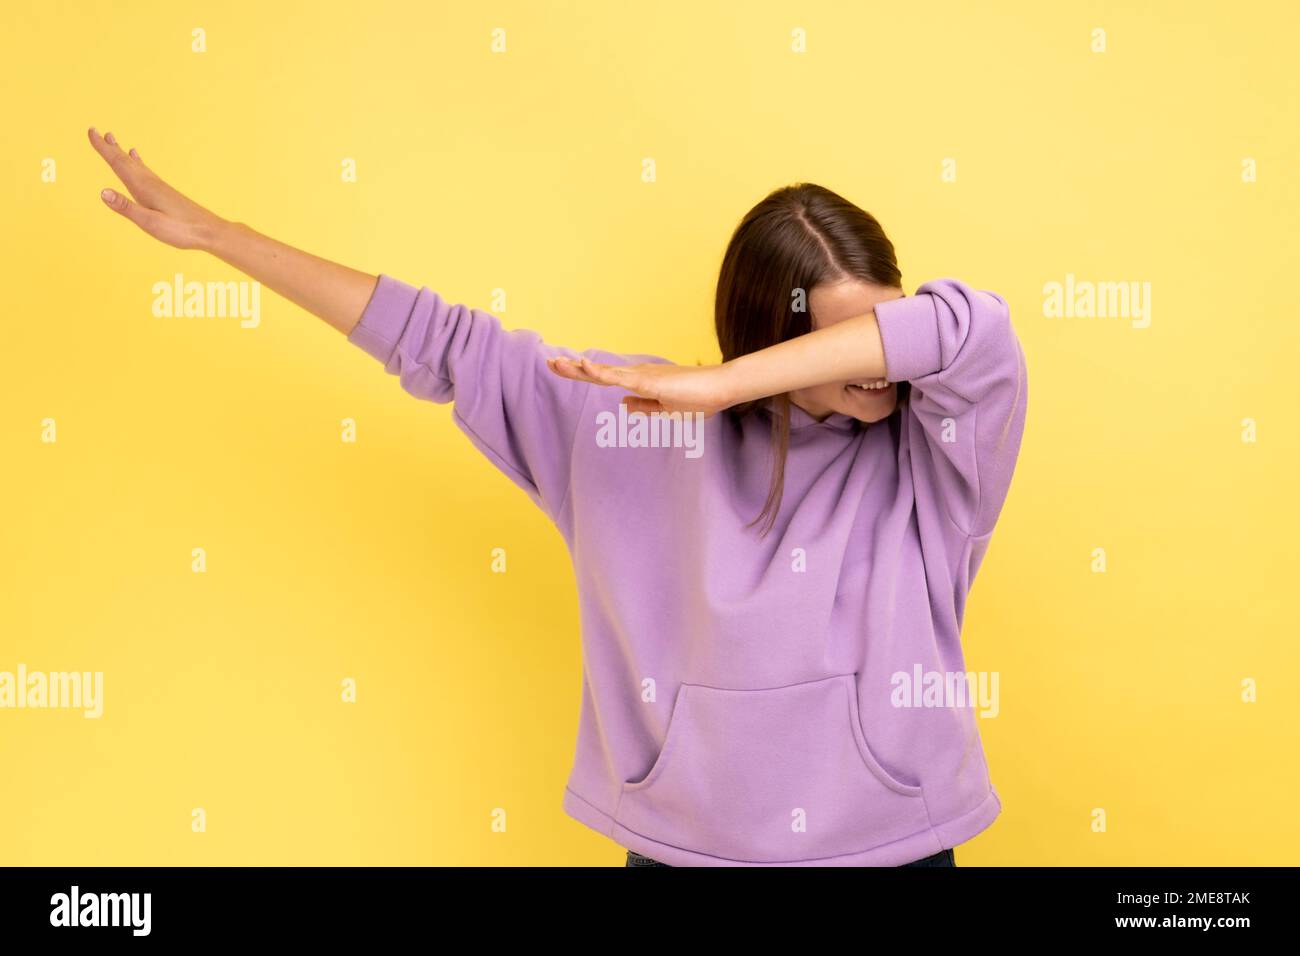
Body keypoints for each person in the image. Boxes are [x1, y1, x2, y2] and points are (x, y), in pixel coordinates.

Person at [89, 127, 1028, 867]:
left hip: (894, 854)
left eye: (882, 331)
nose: (878, 365)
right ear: (765, 331)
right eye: (842, 339)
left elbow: (972, 333)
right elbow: (440, 340)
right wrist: (221, 237)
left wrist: (727, 383)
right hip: (683, 856)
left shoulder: (941, 447)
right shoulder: (624, 416)